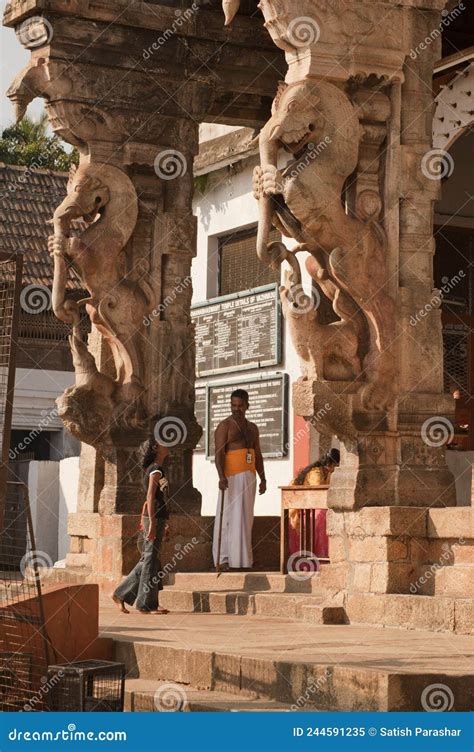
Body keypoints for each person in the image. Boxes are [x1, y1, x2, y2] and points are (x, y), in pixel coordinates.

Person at [112, 438, 170, 615]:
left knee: (150, 559)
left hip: (158, 518)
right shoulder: (155, 470)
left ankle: (121, 594)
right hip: (153, 518)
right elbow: (150, 497)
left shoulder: (156, 469)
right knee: (150, 559)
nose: (166, 444)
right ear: (155, 448)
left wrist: (165, 523)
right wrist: (152, 523)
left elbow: (161, 498)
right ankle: (145, 604)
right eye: (162, 443)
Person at [213, 389, 266, 571]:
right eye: (233, 405)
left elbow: (257, 453)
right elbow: (219, 453)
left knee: (245, 517)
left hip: (249, 476)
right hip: (231, 477)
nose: (236, 409)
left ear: (247, 406)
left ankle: (243, 560)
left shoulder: (252, 428)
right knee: (229, 517)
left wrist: (263, 478)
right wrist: (221, 476)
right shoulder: (224, 426)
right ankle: (224, 559)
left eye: (240, 406)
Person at [288, 448, 340, 559]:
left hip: (314, 505)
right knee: (323, 515)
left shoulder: (327, 473)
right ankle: (320, 554)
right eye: (337, 465)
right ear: (330, 464)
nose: (337, 468)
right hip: (303, 508)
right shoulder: (315, 473)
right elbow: (317, 493)